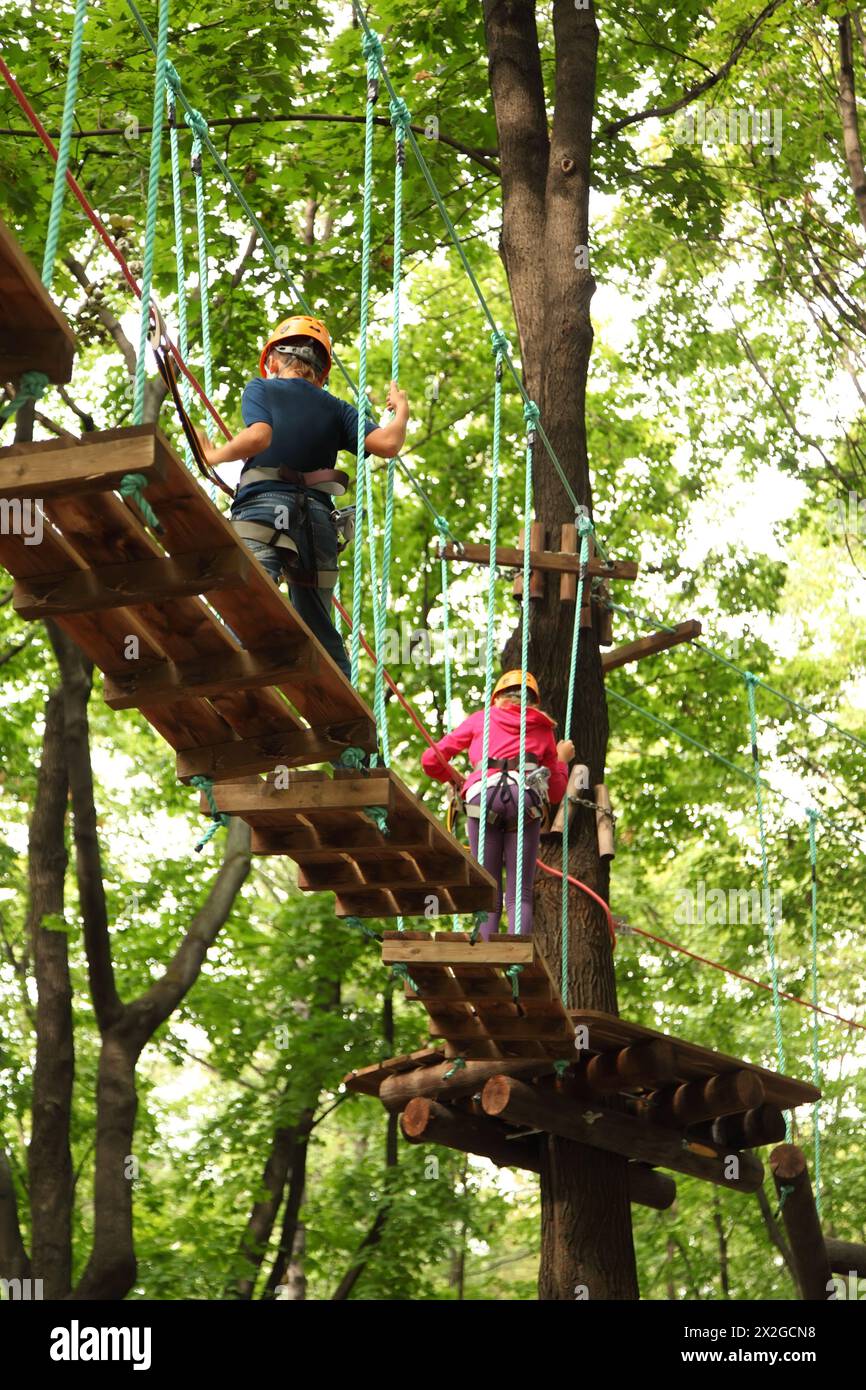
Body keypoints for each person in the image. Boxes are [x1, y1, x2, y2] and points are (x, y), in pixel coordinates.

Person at [197, 315, 409, 679]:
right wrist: (401, 410)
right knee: (320, 629)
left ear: (274, 361)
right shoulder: (337, 408)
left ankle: (222, 687)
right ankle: (346, 726)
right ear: (321, 373)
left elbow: (260, 436)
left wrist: (213, 455)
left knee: (245, 601)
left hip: (263, 511)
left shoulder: (262, 389)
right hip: (317, 524)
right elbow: (388, 444)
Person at [421, 670, 574, 938]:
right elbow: (557, 792)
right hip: (525, 800)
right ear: (533, 701)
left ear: (497, 698)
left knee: (488, 887)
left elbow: (430, 761)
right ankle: (515, 954)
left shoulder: (482, 719)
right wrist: (561, 759)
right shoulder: (544, 728)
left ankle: (486, 953)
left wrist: (455, 778)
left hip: (483, 797)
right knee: (521, 894)